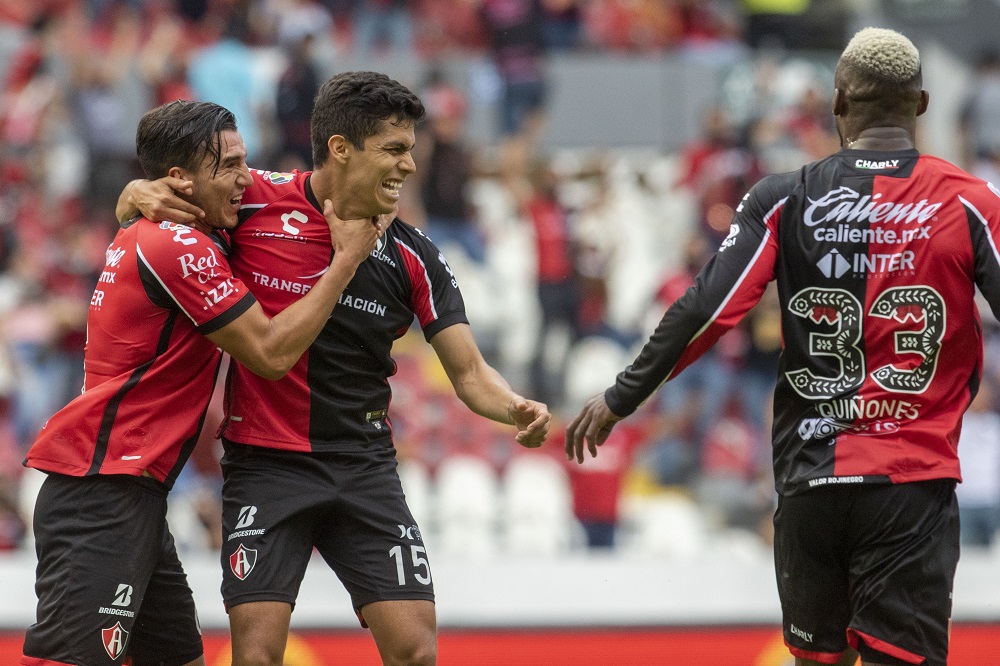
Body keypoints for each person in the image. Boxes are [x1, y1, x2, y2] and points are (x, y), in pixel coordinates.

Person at [567, 27, 999, 666]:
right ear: (922, 104)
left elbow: (706, 308)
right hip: (911, 481)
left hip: (812, 477)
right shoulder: (970, 203)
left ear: (838, 103)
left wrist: (620, 396)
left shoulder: (783, 198)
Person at [118, 71, 551, 666]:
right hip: (265, 465)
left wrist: (515, 406)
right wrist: (133, 194)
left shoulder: (415, 256)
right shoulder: (254, 200)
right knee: (257, 657)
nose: (409, 165)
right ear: (342, 148)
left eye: (410, 149)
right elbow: (162, 195)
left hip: (363, 465)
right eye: (394, 150)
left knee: (416, 652)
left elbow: (471, 374)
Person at [21, 100, 384, 666]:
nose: (245, 179)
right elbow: (269, 353)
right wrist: (344, 265)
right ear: (179, 179)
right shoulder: (179, 246)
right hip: (101, 493)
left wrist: (133, 193)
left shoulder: (171, 228)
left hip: (135, 494)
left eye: (244, 160)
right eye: (229, 166)